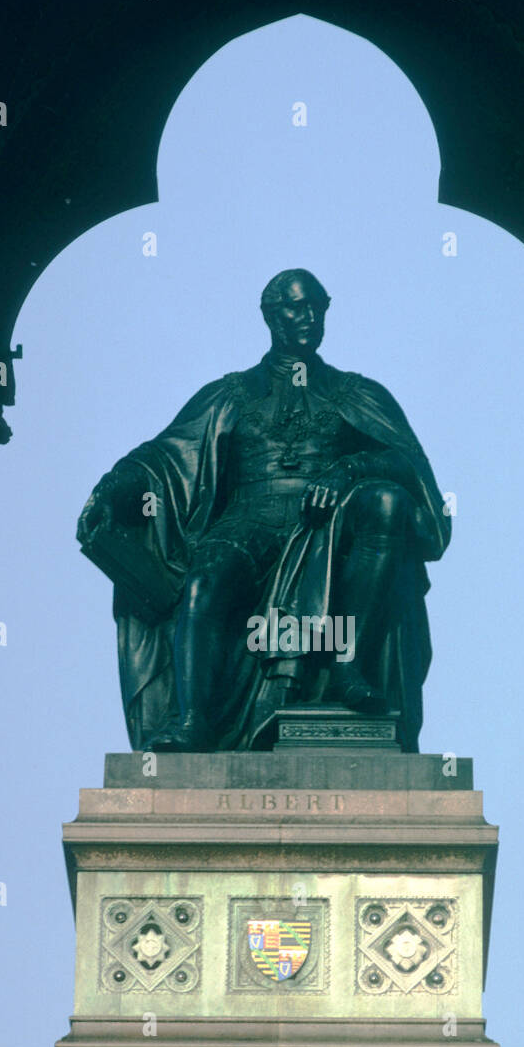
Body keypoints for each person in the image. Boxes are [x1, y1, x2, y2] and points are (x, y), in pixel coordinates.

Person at [77, 269, 450, 752]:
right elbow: (163, 457)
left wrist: (347, 470)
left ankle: (346, 663)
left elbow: (406, 463)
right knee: (204, 583)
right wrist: (110, 490)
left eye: (318, 307)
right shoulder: (230, 393)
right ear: (271, 315)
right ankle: (192, 720)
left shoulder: (357, 393)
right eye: (297, 307)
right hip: (247, 524)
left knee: (387, 501)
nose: (309, 318)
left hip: (326, 528)